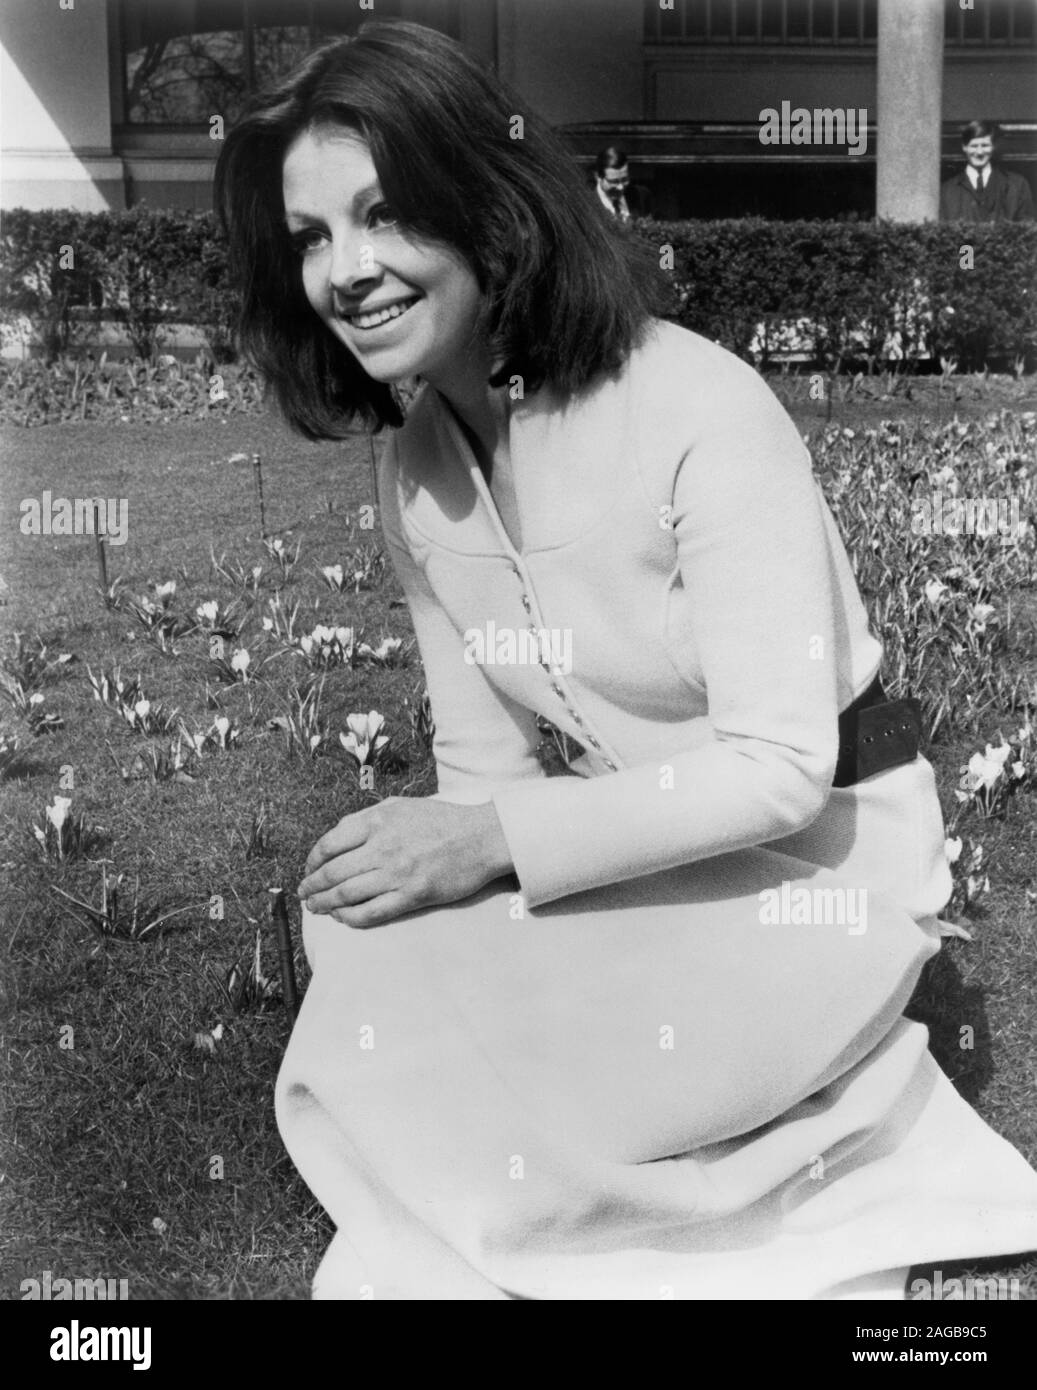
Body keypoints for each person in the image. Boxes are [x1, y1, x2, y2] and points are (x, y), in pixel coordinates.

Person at [215, 22, 1037, 1300]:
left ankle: (793, 1118)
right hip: (645, 861)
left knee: (489, 1028)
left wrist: (489, 849)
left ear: (484, 213)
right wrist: (441, 874)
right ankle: (614, 1138)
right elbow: (477, 774)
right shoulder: (415, 469)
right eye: (313, 237)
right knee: (368, 937)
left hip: (821, 862)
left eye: (385, 217)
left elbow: (777, 769)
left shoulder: (697, 406)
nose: (348, 272)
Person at [940, 119, 1034, 222]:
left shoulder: (1017, 185)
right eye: (974, 146)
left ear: (993, 147)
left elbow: (1026, 230)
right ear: (964, 147)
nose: (979, 152)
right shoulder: (947, 190)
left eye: (985, 145)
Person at [593, 145, 652, 221]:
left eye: (624, 179)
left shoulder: (642, 195)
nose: (621, 187)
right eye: (614, 181)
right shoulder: (585, 204)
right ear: (598, 177)